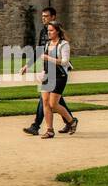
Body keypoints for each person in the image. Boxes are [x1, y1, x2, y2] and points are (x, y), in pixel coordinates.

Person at [21, 7, 74, 136]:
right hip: (47, 71)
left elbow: (63, 58)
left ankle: (37, 125)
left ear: (53, 17)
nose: (43, 18)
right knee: (51, 101)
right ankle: (68, 122)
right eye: (42, 16)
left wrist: (49, 59)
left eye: (46, 16)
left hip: (58, 72)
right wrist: (27, 65)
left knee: (50, 101)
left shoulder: (60, 38)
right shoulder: (43, 32)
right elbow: (39, 51)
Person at [39, 22, 76, 138]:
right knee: (45, 101)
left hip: (60, 76)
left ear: (58, 31)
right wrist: (42, 72)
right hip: (48, 75)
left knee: (53, 104)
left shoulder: (64, 44)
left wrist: (48, 58)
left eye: (51, 30)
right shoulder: (48, 44)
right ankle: (49, 130)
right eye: (48, 30)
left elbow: (65, 62)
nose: (49, 33)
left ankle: (72, 121)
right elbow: (45, 62)